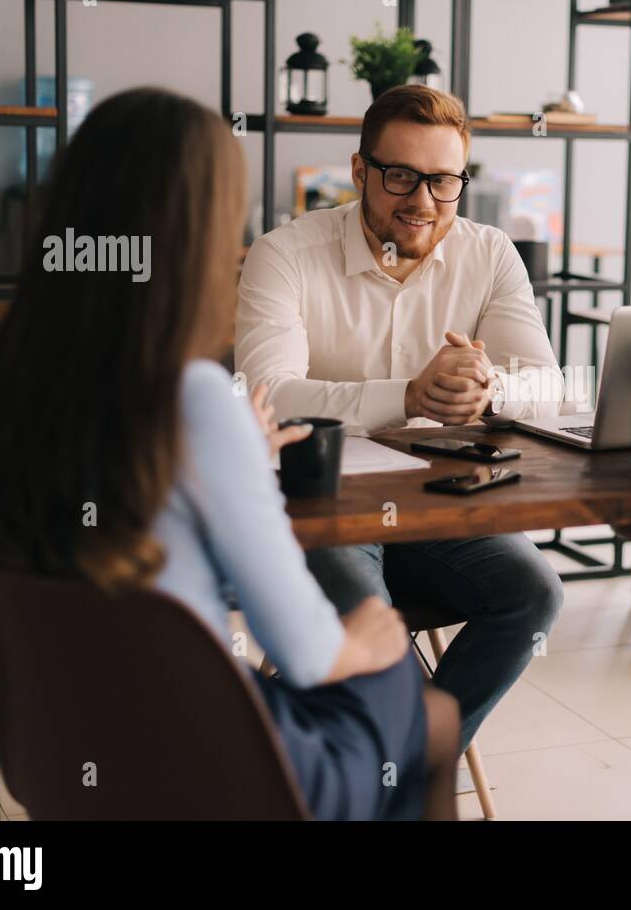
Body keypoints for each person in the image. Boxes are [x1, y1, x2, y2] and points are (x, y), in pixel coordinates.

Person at [0, 87, 459, 820]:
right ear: (196, 237)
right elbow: (303, 651)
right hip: (208, 769)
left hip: (69, 751)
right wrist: (368, 635)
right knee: (409, 693)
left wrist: (237, 454)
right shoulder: (197, 399)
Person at [236, 85, 565, 750]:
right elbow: (266, 396)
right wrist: (408, 397)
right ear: (359, 172)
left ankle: (410, 769)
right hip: (325, 505)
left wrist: (487, 388)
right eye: (400, 177)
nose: (422, 201)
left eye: (442, 181)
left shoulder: (490, 253)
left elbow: (549, 388)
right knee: (372, 626)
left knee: (534, 595)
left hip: (439, 505)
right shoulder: (284, 254)